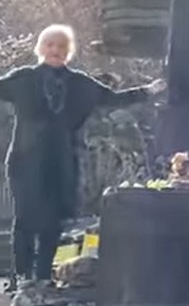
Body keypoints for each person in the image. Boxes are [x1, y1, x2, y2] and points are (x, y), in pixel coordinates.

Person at [0, 25, 165, 288]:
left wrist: (148, 91)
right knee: (25, 217)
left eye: (61, 47)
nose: (55, 50)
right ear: (41, 48)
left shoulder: (80, 83)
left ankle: (42, 276)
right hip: (25, 160)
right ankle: (21, 277)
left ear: (68, 52)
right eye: (51, 45)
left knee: (53, 219)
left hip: (62, 161)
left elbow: (112, 98)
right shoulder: (23, 79)